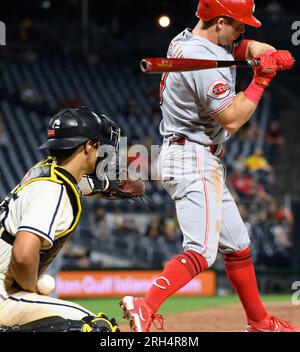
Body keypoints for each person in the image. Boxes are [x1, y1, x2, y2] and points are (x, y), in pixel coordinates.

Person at [120, 0, 298, 332]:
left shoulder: (189, 40)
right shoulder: (202, 62)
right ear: (218, 22)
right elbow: (231, 119)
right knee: (201, 251)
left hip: (197, 155)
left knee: (239, 244)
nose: (242, 30)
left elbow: (245, 45)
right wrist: (261, 79)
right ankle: (145, 306)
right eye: (238, 24)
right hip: (193, 157)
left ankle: (259, 322)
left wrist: (267, 52)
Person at [0, 107, 143, 332]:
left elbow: (79, 185)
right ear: (88, 146)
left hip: (4, 285)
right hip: (3, 293)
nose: (105, 153)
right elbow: (23, 255)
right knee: (96, 328)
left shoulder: (45, 171)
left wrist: (108, 186)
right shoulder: (53, 190)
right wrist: (30, 291)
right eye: (101, 146)